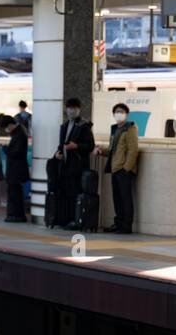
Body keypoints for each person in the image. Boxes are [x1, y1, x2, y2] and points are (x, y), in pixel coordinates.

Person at [49, 97, 94, 227]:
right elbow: (61, 144)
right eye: (69, 108)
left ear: (79, 110)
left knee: (76, 193)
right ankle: (65, 219)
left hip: (77, 166)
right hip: (64, 165)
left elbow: (90, 145)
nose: (71, 111)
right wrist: (58, 153)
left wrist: (77, 146)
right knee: (65, 194)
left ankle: (76, 220)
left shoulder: (84, 126)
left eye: (74, 109)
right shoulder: (64, 125)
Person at [97, 103, 140, 234]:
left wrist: (126, 168)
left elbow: (133, 150)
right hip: (115, 169)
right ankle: (118, 223)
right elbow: (112, 150)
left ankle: (126, 226)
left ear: (126, 114)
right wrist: (101, 150)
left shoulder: (130, 128)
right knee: (117, 199)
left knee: (125, 199)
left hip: (123, 170)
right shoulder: (115, 129)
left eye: (121, 111)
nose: (118, 114)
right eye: (116, 111)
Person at [3, 113, 30, 222]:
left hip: (16, 169)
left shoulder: (19, 134)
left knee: (15, 193)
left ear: (10, 124)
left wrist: (6, 149)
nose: (6, 129)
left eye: (6, 127)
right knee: (15, 192)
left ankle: (15, 215)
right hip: (16, 168)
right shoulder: (19, 132)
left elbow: (16, 152)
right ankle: (15, 214)